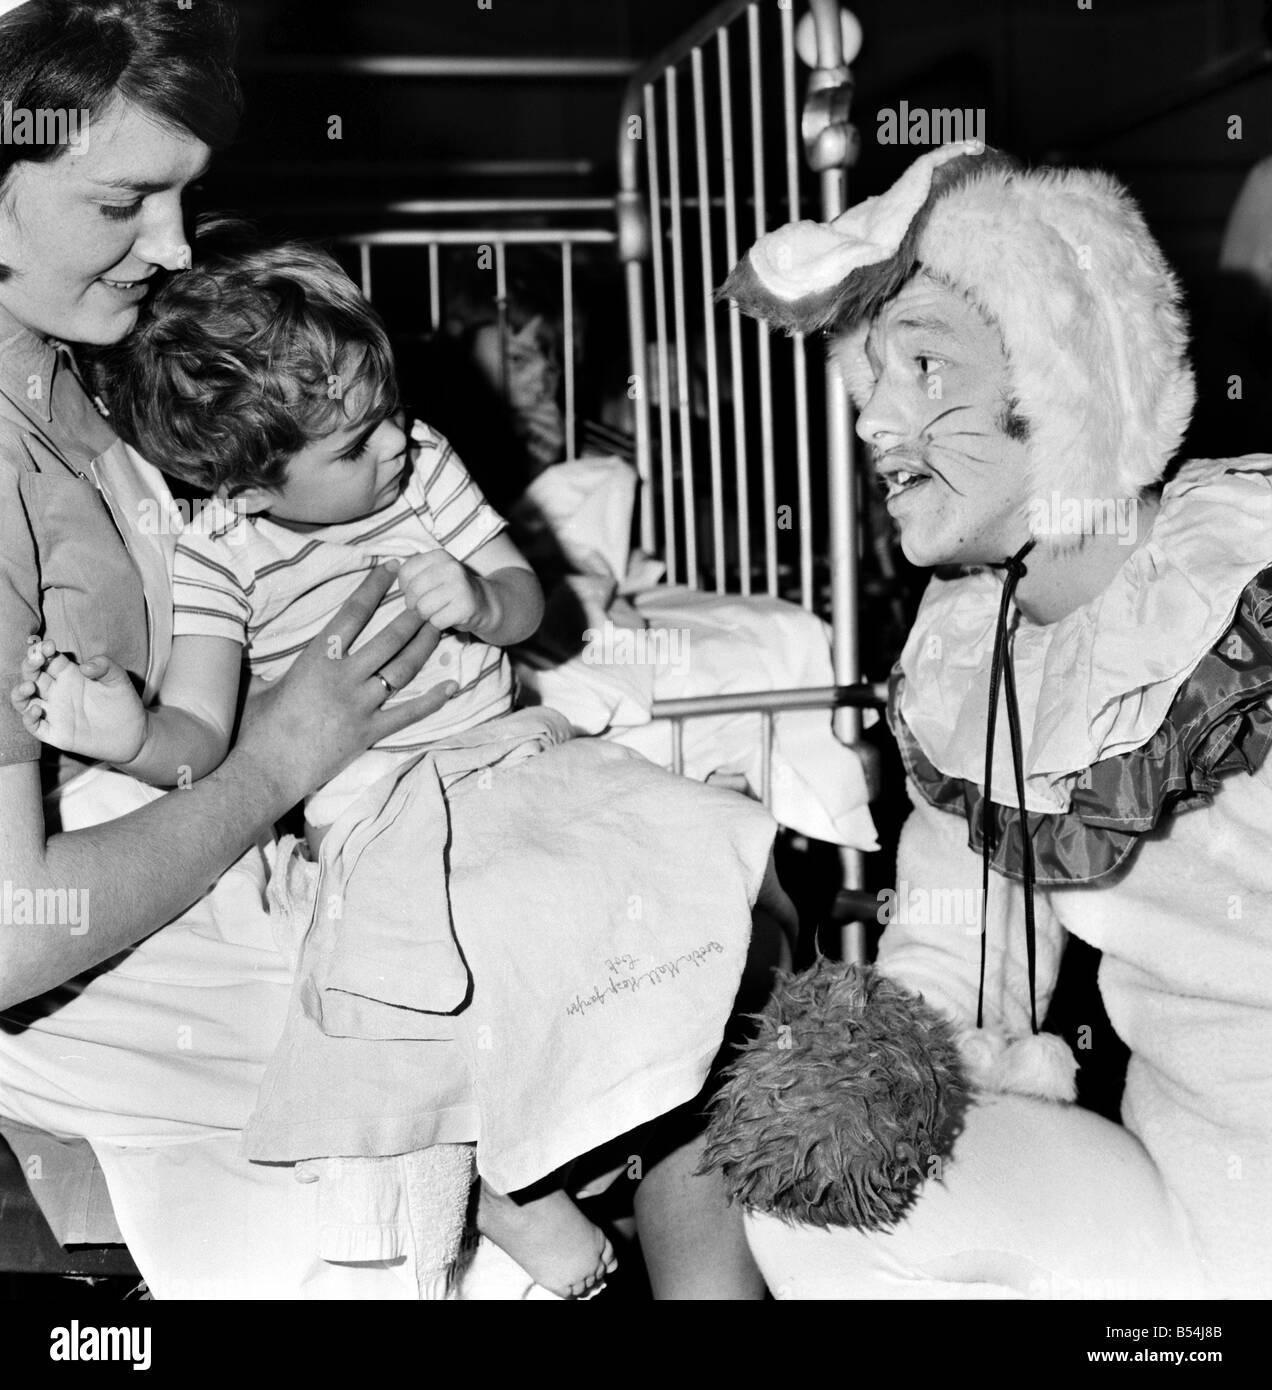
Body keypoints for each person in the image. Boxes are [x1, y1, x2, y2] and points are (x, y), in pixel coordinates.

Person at [0, 0, 780, 1300]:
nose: (174, 245)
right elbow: (14, 933)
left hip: (256, 843)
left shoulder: (82, 377)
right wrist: (276, 763)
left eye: (185, 197)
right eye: (124, 200)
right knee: (627, 957)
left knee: (684, 923)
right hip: (140, 954)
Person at [718, 140, 1272, 1299]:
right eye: (870, 383)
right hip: (1174, 1200)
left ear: (1064, 368)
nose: (876, 424)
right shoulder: (976, 648)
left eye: (925, 367)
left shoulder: (1246, 582)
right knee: (813, 1199)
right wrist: (862, 1079)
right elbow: (955, 944)